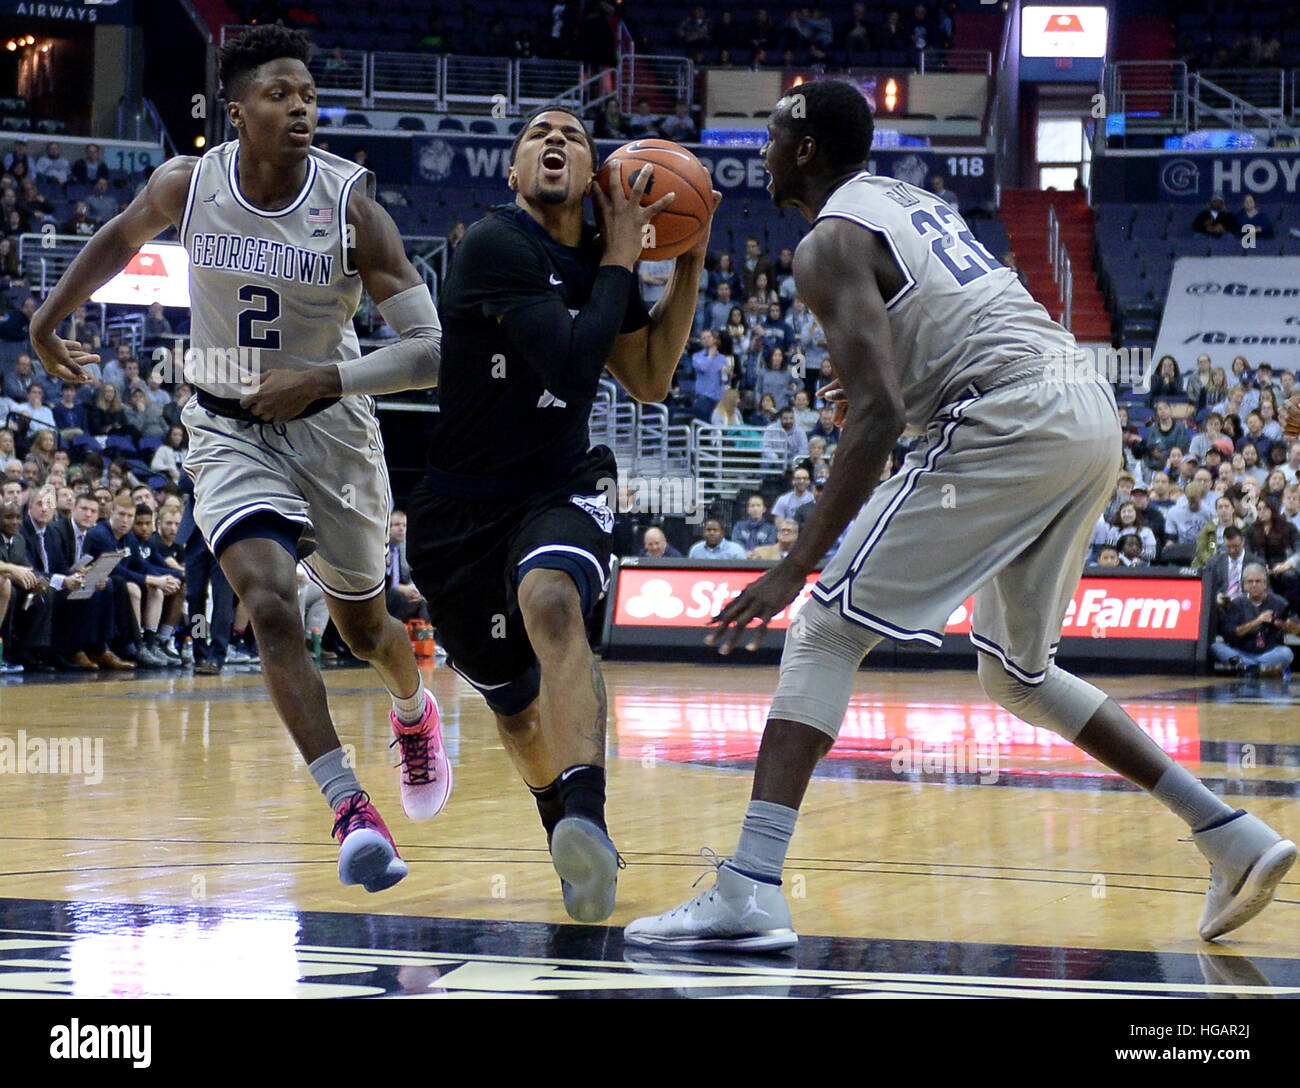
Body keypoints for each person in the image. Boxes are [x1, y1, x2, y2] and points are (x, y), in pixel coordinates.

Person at [625, 79, 1295, 952]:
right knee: (1016, 674)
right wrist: (889, 391)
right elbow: (932, 339)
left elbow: (874, 418)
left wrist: (799, 562)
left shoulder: (826, 243)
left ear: (806, 150)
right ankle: (1228, 835)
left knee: (823, 625)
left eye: (771, 138)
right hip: (1083, 408)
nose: (760, 154)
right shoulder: (908, 201)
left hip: (1007, 418)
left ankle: (748, 887)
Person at [29, 24, 448, 893]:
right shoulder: (190, 183)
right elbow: (118, 236)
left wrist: (327, 378)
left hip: (332, 432)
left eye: (307, 95)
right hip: (225, 425)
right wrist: (51, 313)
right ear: (236, 112)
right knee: (264, 599)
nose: (300, 107)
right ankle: (349, 808)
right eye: (279, 95)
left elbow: (430, 348)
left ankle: (414, 709)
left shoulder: (352, 207)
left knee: (366, 630)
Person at [404, 103, 719, 923]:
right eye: (537, 135)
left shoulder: (598, 259)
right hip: (459, 512)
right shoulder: (494, 245)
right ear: (513, 173)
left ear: (596, 175)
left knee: (550, 598)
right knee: (513, 708)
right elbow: (578, 364)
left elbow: (648, 377)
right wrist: (623, 257)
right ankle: (562, 825)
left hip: (559, 485)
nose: (555, 141)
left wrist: (687, 259)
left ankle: (588, 817)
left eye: (573, 136)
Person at [1210, 563, 1298, 675]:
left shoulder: (1279, 602)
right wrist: (1258, 621)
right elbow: (1230, 634)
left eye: (1258, 581)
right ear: (1244, 585)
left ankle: (1247, 668)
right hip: (1241, 652)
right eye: (1250, 582)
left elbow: (1297, 630)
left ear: (1265, 584)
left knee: (1286, 653)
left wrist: (1287, 625)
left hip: (1269, 653)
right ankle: (1257, 669)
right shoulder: (1237, 604)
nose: (1254, 585)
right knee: (1215, 648)